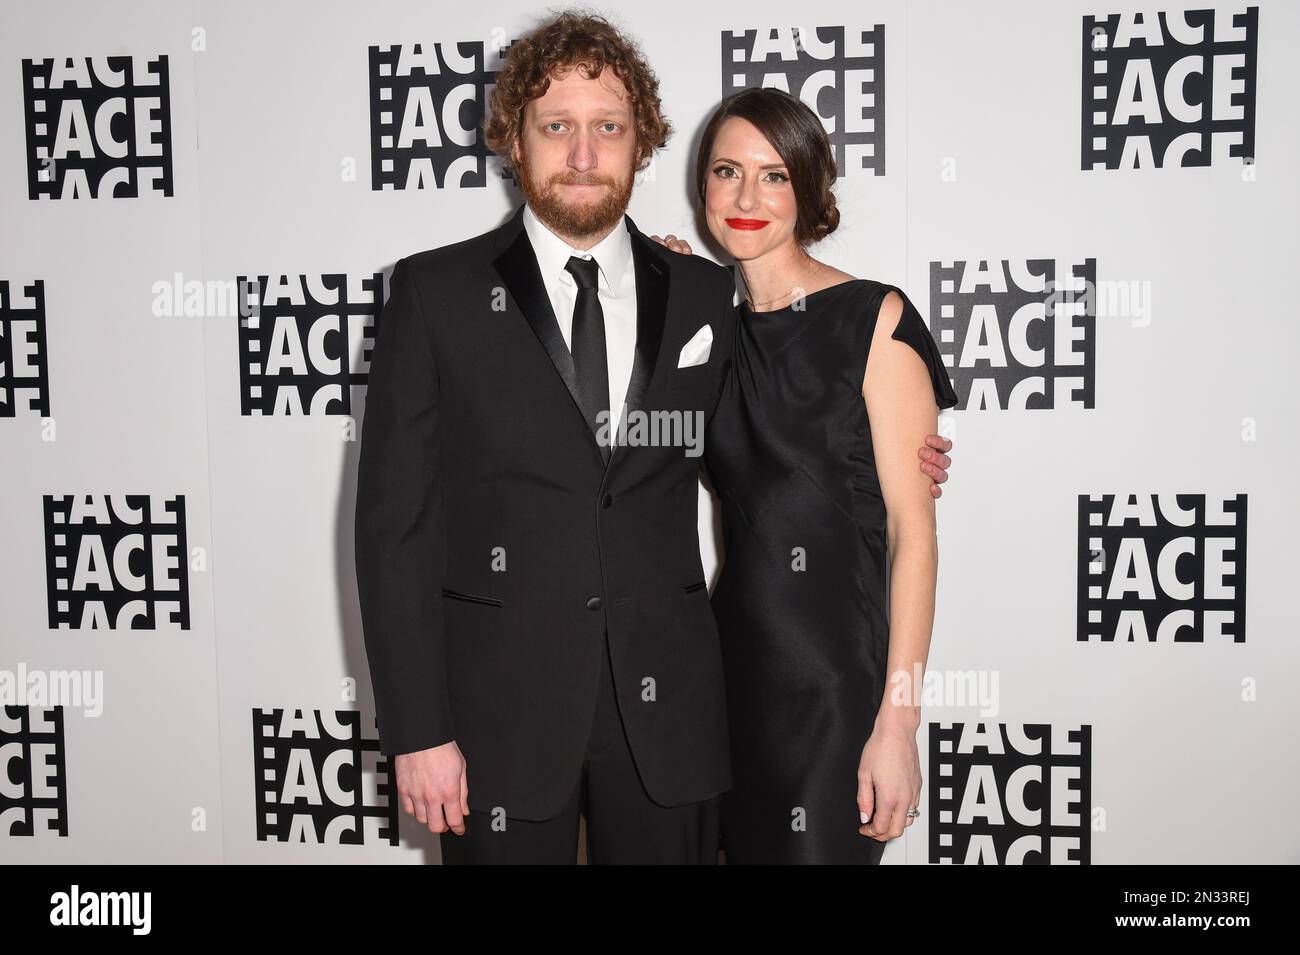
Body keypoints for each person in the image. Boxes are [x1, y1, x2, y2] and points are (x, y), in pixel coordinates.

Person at [354, 11, 951, 865]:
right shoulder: (434, 294)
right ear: (514, 142)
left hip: (684, 723)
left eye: (609, 128)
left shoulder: (702, 298)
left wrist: (903, 458)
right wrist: (417, 730)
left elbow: (820, 459)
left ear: (643, 146)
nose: (585, 153)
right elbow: (392, 534)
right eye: (558, 127)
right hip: (500, 727)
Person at [654, 85, 961, 863]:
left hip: (834, 693)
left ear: (808, 187)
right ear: (703, 189)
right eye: (727, 172)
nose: (747, 196)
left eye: (775, 174)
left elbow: (913, 540)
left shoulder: (873, 318)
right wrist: (661, 308)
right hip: (721, 680)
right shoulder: (702, 333)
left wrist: (898, 722)